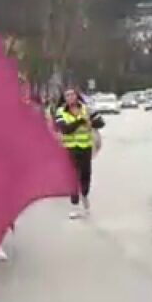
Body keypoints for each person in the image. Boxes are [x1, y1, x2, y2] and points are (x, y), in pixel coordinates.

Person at [54, 87, 102, 219]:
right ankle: (74, 205)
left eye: (72, 95)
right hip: (70, 148)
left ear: (77, 96)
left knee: (86, 175)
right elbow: (65, 129)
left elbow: (100, 122)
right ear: (64, 98)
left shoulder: (86, 109)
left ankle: (85, 197)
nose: (70, 98)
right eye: (67, 95)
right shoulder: (60, 112)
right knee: (72, 177)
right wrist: (81, 121)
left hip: (86, 147)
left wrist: (92, 121)